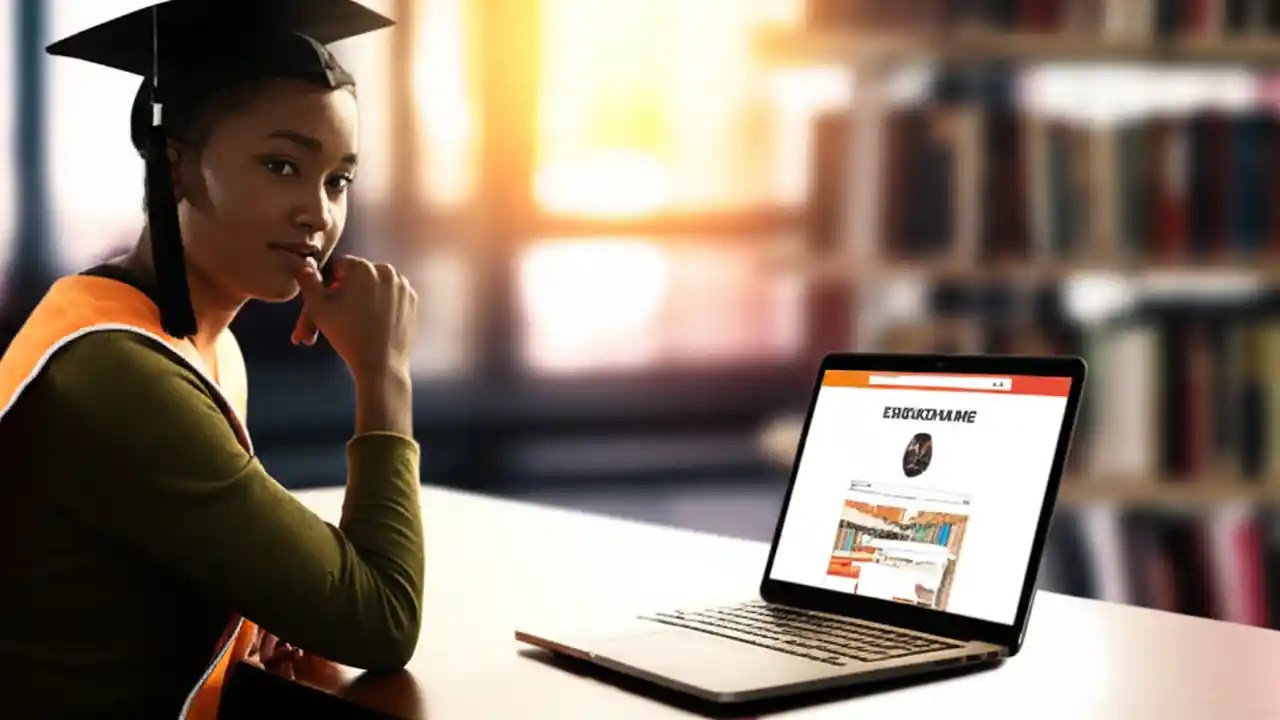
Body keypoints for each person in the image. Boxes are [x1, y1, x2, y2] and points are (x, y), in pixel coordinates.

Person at [0, 1, 424, 717]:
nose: (318, 214)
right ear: (176, 170)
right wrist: (383, 373)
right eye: (281, 165)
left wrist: (249, 618)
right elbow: (380, 623)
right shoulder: (118, 373)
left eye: (337, 180)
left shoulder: (198, 340)